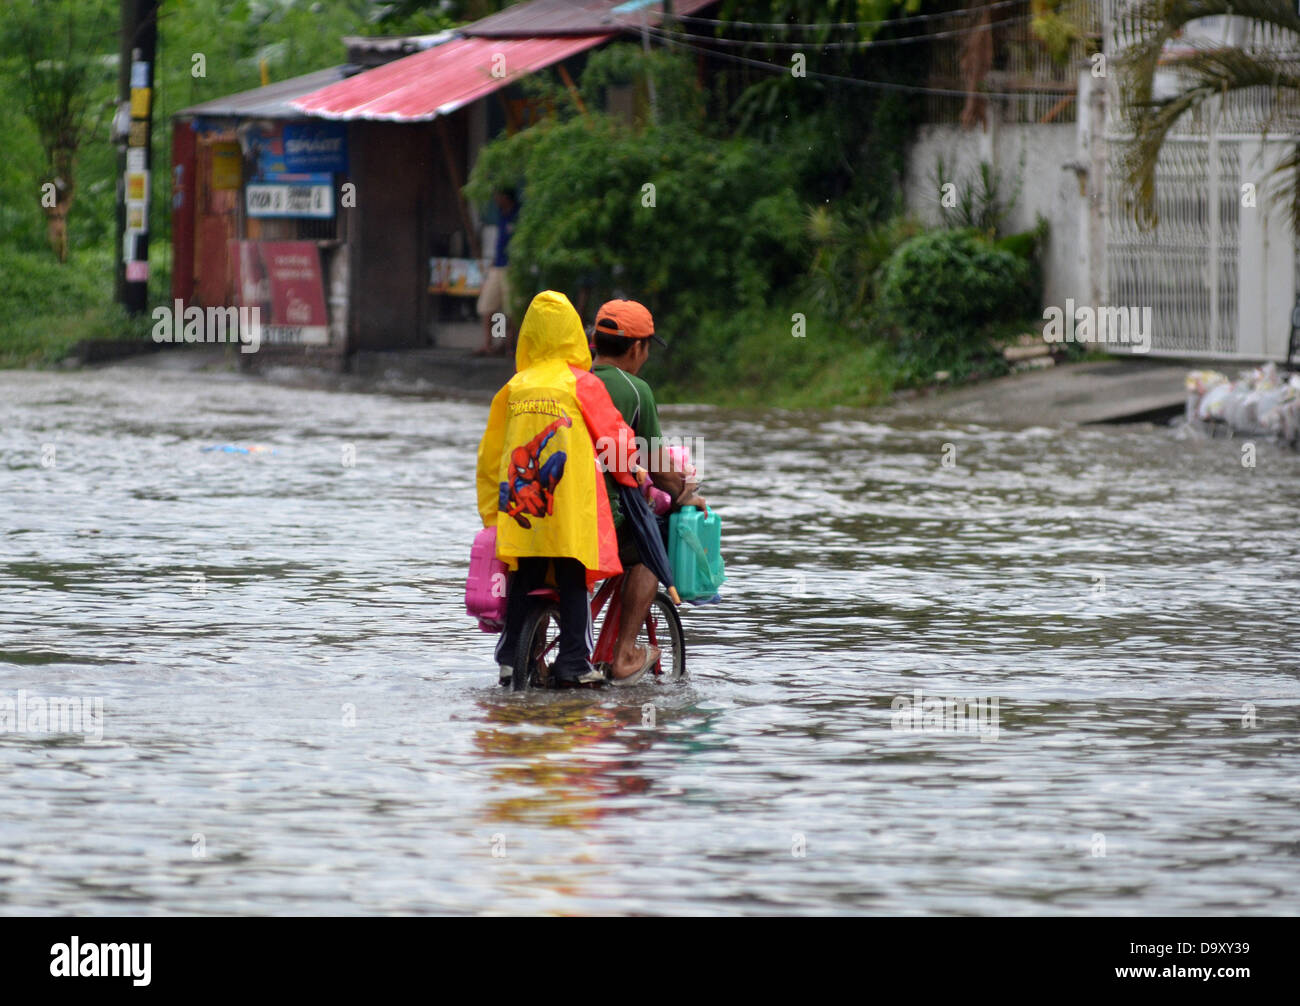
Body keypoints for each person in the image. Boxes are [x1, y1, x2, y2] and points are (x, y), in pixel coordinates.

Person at [476, 290, 642, 686]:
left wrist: (489, 513)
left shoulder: (514, 387)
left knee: (526, 574)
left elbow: (489, 456)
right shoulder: (582, 384)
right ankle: (573, 662)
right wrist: (632, 477)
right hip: (568, 510)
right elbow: (616, 444)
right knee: (572, 575)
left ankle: (509, 657)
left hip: (520, 507)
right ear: (573, 336)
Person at [590, 299, 705, 685]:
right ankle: (624, 655)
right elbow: (655, 464)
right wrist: (685, 491)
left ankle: (532, 660)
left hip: (553, 510)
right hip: (604, 522)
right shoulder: (636, 390)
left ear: (594, 340)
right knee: (647, 552)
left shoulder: (571, 379)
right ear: (638, 347)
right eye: (648, 348)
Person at [474, 189, 518, 357]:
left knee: (509, 307)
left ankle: (508, 345)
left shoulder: (517, 215)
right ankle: (490, 343)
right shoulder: (501, 214)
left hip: (511, 266)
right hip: (497, 265)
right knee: (491, 305)